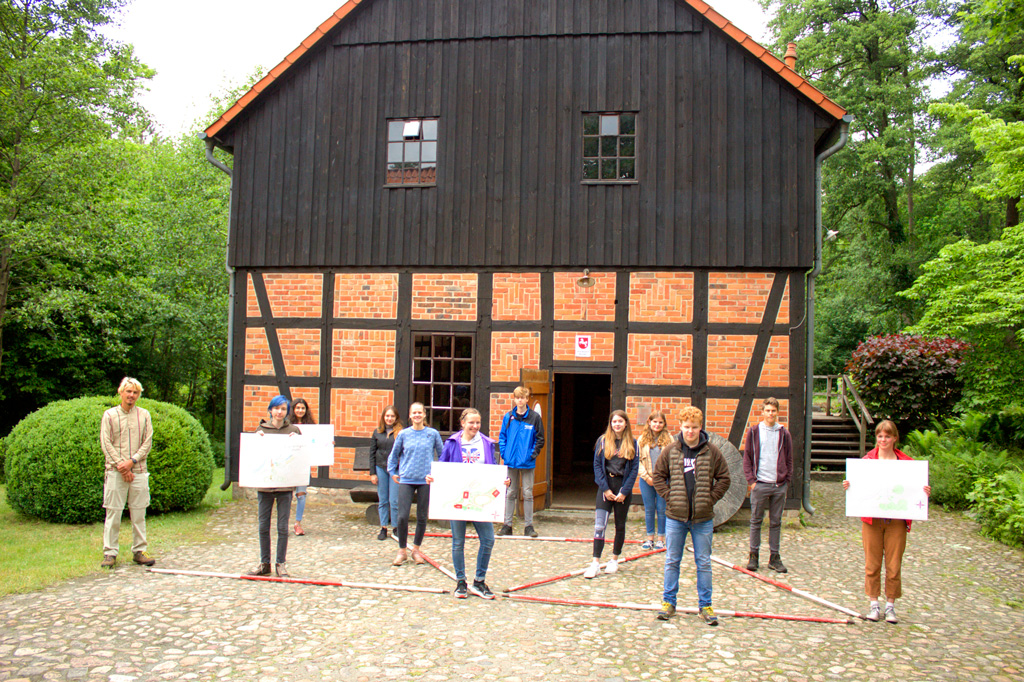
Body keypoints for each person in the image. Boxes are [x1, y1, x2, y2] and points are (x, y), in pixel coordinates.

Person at [843, 420, 931, 624]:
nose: (883, 440)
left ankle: (890, 605)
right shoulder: (866, 462)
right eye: (880, 436)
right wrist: (849, 485)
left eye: (887, 436)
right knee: (872, 563)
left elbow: (914, 489)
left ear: (894, 438)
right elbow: (858, 487)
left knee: (894, 564)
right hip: (872, 520)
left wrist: (924, 491)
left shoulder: (907, 464)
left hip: (896, 521)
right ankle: (874, 603)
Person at [653, 406, 730, 625]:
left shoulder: (712, 451)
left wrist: (710, 498)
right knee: (672, 561)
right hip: (675, 517)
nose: (690, 431)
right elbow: (658, 476)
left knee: (703, 563)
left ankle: (705, 605)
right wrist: (670, 496)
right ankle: (668, 603)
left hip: (702, 519)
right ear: (680, 426)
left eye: (694, 427)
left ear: (700, 427)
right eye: (686, 427)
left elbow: (724, 478)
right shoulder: (671, 450)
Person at [431, 408, 509, 599]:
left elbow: (493, 469)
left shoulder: (487, 443)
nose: (475, 426)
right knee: (458, 541)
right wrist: (433, 478)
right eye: (471, 423)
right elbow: (442, 467)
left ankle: (479, 581)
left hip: (480, 499)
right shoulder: (451, 443)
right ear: (463, 423)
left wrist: (502, 481)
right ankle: (461, 582)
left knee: (488, 539)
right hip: (457, 498)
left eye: (478, 423)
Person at [100, 377, 155, 568]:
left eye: (135, 392)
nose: (131, 395)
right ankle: (110, 553)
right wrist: (121, 466)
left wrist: (131, 462)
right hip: (115, 472)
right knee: (113, 513)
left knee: (139, 514)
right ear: (120, 392)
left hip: (139, 471)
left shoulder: (144, 415)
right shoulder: (109, 415)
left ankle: (140, 551)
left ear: (139, 395)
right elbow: (106, 443)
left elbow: (147, 442)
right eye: (128, 391)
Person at [249, 395, 302, 578]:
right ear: (270, 410)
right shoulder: (261, 430)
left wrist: (297, 441)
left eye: (283, 409)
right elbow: (254, 455)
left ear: (287, 411)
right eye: (276, 408)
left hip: (284, 486)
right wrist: (256, 440)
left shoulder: (293, 430)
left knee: (282, 527)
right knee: (263, 526)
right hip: (265, 486)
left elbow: (301, 457)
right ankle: (265, 563)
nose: (279, 412)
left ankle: (281, 563)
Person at [583, 410, 639, 579]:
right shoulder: (602, 441)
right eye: (614, 421)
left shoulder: (633, 443)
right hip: (606, 486)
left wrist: (624, 491)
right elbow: (597, 466)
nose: (617, 424)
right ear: (610, 423)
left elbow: (634, 469)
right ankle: (595, 562)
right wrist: (605, 489)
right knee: (600, 525)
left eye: (620, 421)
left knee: (620, 525)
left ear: (626, 423)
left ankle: (614, 559)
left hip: (622, 488)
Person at [387, 402, 443, 566]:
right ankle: (402, 550)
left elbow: (442, 454)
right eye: (414, 413)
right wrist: (392, 471)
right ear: (410, 415)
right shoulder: (403, 434)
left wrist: (438, 473)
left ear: (424, 414)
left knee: (422, 516)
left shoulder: (432, 434)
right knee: (402, 516)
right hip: (407, 479)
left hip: (425, 480)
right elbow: (394, 455)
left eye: (420, 412)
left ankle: (416, 549)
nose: (417, 415)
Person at [742, 397, 793, 573]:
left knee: (776, 522)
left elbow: (789, 458)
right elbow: (747, 458)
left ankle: (774, 557)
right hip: (760, 484)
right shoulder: (754, 432)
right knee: (756, 520)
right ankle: (753, 555)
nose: (770, 414)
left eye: (773, 411)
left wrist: (786, 480)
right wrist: (752, 482)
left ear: (777, 412)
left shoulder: (784, 433)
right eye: (768, 410)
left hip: (778, 485)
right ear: (762, 412)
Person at [498, 386, 545, 538]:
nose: (520, 400)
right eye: (517, 398)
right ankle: (507, 525)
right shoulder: (508, 417)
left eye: (522, 398)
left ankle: (528, 526)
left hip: (527, 462)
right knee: (510, 492)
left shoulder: (534, 418)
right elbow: (502, 437)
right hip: (511, 461)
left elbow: (540, 438)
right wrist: (504, 453)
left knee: (528, 493)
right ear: (514, 399)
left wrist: (532, 454)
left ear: (527, 399)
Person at [638, 410, 672, 551]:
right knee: (649, 509)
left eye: (660, 422)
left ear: (664, 424)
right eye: (655, 422)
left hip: (663, 480)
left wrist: (662, 478)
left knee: (662, 509)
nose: (657, 425)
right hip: (646, 480)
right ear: (649, 422)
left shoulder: (669, 439)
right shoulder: (642, 439)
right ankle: (650, 538)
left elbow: (673, 460)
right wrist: (646, 477)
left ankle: (661, 540)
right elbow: (637, 461)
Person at [369, 405, 403, 541]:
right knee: (383, 499)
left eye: (392, 416)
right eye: (387, 416)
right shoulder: (377, 432)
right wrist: (372, 473)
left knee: (394, 500)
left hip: (395, 469)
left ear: (396, 418)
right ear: (383, 417)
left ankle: (395, 527)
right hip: (380, 468)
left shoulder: (401, 433)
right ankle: (383, 527)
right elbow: (372, 453)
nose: (389, 418)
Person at [289, 398, 316, 536]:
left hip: (303, 464)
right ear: (293, 409)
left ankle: (297, 523)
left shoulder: (311, 426)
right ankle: (283, 523)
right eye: (298, 408)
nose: (300, 410)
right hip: (288, 463)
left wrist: (328, 444)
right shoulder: (286, 425)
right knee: (286, 495)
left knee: (301, 494)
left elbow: (317, 442)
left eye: (303, 408)